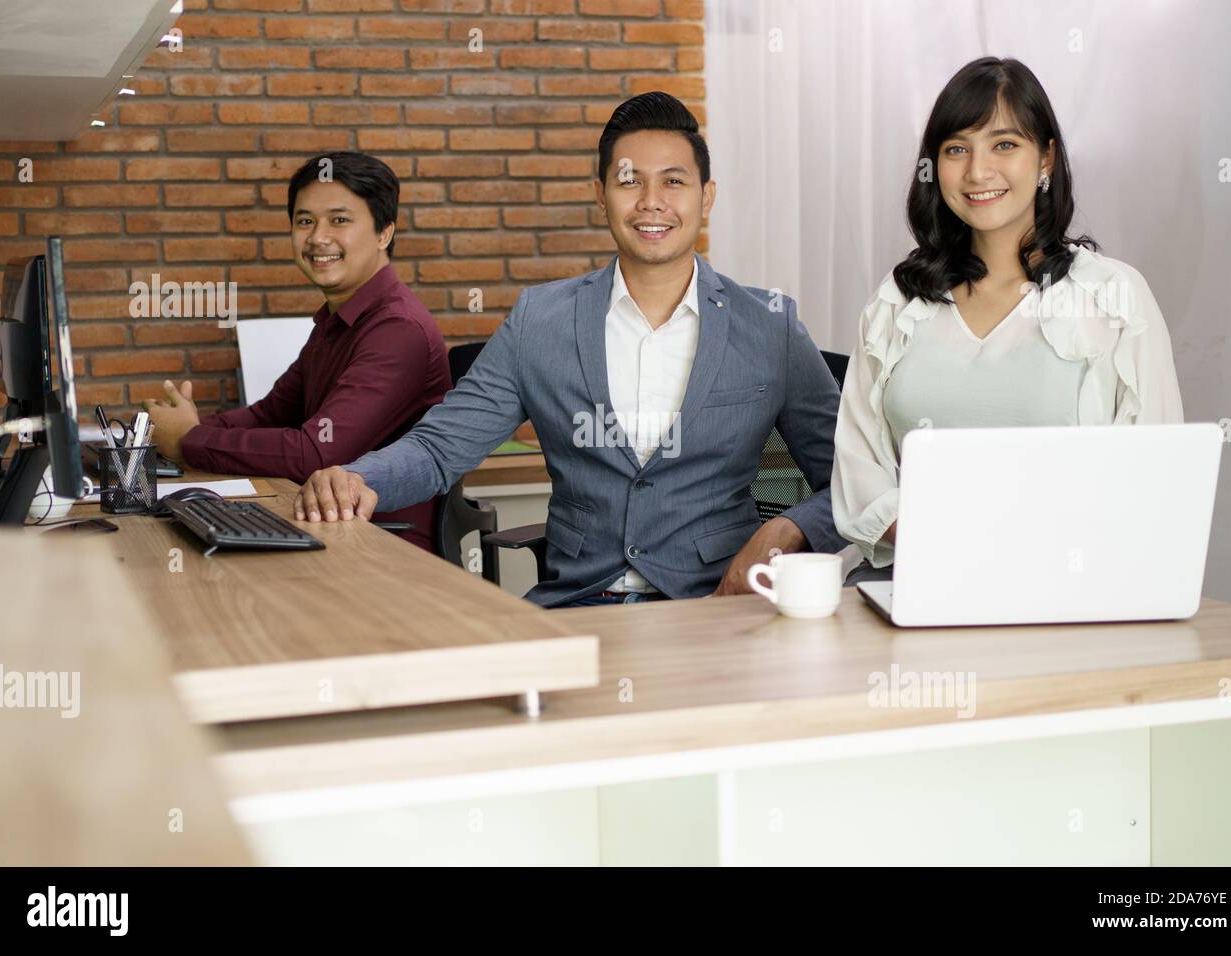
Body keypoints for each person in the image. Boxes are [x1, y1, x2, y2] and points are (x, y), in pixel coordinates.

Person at [295, 92, 847, 607]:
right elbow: (441, 448)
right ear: (601, 193)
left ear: (706, 197)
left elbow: (850, 479)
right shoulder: (542, 319)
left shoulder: (770, 326)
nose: (651, 202)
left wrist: (786, 528)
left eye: (673, 182)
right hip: (578, 606)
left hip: (715, 606)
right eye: (630, 181)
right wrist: (358, 478)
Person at [832, 57, 1184, 586]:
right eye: (956, 149)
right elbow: (859, 470)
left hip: (1065, 590)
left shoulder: (1112, 296)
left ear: (1046, 159)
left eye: (1004, 144)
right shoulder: (897, 302)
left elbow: (1155, 478)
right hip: (914, 587)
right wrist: (949, 543)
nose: (978, 172)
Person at [141, 152, 451, 553]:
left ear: (383, 233)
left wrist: (188, 440)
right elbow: (265, 416)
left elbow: (315, 453)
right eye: (305, 221)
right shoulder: (335, 323)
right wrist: (177, 426)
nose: (318, 237)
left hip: (386, 545)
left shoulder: (397, 328)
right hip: (329, 528)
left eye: (339, 220)